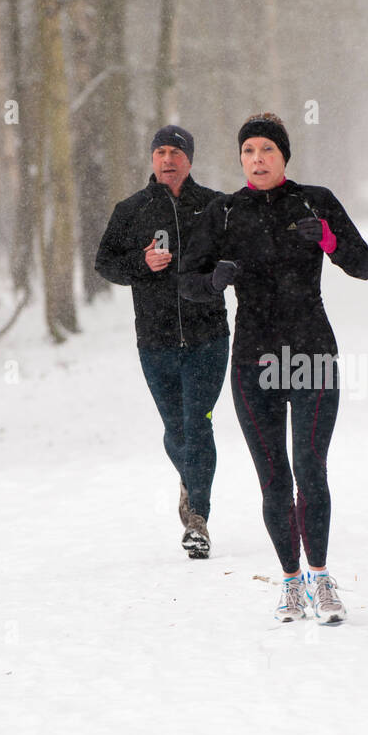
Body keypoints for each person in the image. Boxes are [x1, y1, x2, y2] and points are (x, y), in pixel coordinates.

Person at [179, 112, 368, 622]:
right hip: (254, 362)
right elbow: (186, 281)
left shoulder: (316, 201)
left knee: (310, 469)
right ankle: (290, 583)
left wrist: (329, 239)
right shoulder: (223, 213)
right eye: (248, 151)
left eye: (267, 150)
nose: (257, 159)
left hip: (311, 353)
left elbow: (364, 264)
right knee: (273, 478)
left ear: (284, 156)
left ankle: (322, 579)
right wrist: (212, 281)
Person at [95, 125, 229, 558]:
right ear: (152, 159)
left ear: (190, 159)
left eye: (176, 152)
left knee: (198, 422)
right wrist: (142, 262)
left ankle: (198, 519)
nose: (168, 159)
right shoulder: (131, 210)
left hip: (208, 336)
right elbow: (104, 263)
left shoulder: (214, 206)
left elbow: (236, 259)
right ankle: (191, 484)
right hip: (155, 341)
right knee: (176, 429)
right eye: (161, 152)